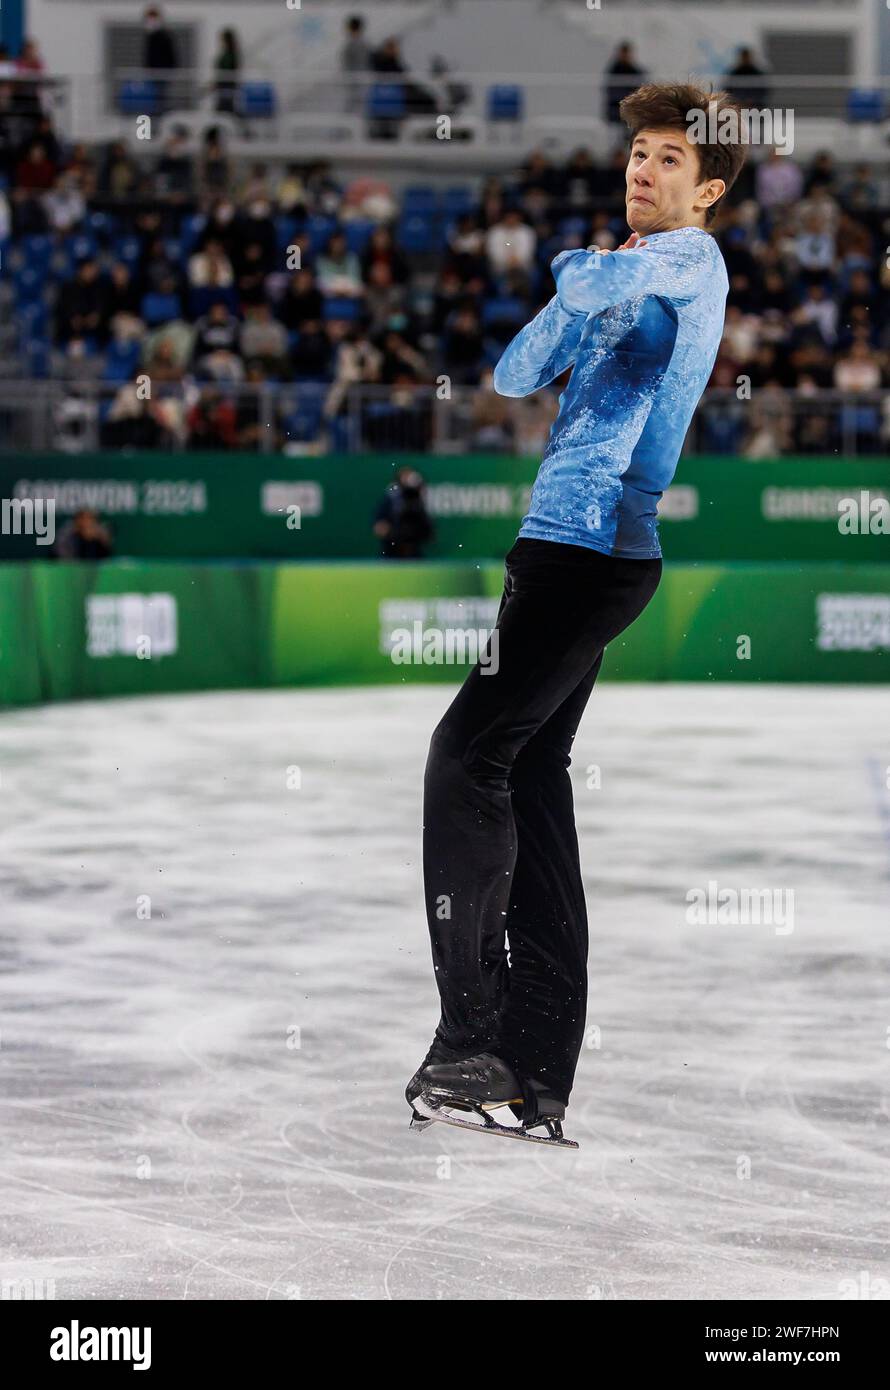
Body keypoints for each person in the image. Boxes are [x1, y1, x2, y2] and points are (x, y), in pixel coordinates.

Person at [407, 81, 746, 1145]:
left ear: (708, 192)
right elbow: (514, 370)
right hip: (576, 549)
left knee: (463, 759)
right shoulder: (639, 267)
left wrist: (591, 275)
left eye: (667, 161)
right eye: (636, 152)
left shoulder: (683, 258)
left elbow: (603, 284)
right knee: (529, 780)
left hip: (580, 550)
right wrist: (587, 286)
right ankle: (530, 1069)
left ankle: (473, 1036)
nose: (641, 171)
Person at [372, 467, 434, 558]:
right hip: (392, 546)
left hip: (414, 547)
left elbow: (425, 527)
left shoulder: (418, 499)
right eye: (405, 477)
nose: (408, 480)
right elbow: (379, 525)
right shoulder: (392, 497)